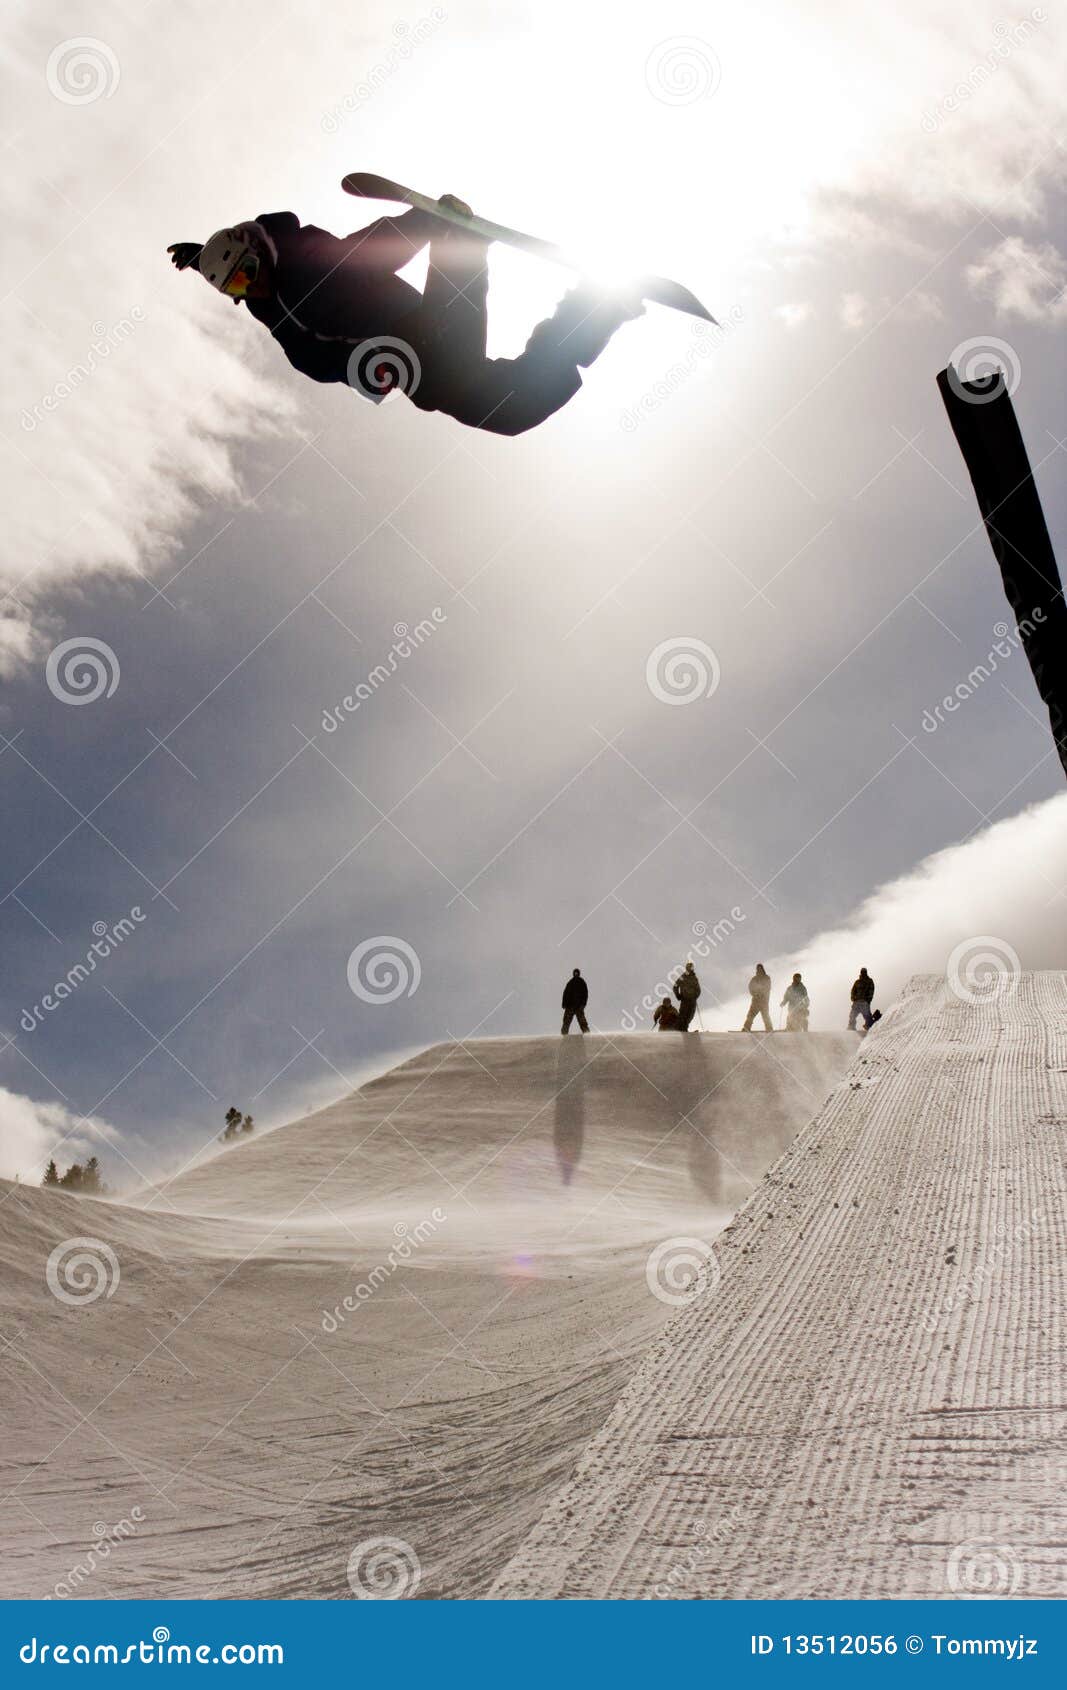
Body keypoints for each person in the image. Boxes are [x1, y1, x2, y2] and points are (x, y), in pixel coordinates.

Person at [168, 199, 644, 438]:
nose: (251, 286)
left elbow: (369, 250)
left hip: (428, 321)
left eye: (248, 272)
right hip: (413, 360)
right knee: (511, 410)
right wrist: (365, 372)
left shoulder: (304, 257)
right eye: (236, 287)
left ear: (256, 249)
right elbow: (313, 359)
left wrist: (426, 219)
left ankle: (458, 240)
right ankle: (599, 309)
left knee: (446, 383)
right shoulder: (274, 317)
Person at [742, 964, 773, 1032]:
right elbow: (750, 987)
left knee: (765, 1015)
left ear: (762, 969)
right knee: (750, 1014)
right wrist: (754, 994)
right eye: (758, 968)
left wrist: (763, 993)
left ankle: (769, 1028)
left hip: (764, 1001)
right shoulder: (754, 978)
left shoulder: (766, 978)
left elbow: (768, 987)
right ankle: (746, 1027)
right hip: (755, 1001)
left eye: (760, 968)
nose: (759, 970)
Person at [673, 961, 702, 1032]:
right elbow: (675, 986)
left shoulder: (694, 978)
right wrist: (678, 996)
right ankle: (679, 1029)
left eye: (691, 967)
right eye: (689, 967)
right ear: (687, 968)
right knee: (683, 1015)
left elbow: (698, 989)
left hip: (692, 1000)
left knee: (690, 1015)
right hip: (685, 1000)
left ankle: (684, 1028)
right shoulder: (682, 977)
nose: (691, 969)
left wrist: (695, 996)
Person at [561, 968, 590, 1035]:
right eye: (575, 973)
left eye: (577, 973)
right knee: (566, 1021)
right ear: (573, 973)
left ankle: (587, 1034)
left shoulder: (582, 982)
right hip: (570, 1006)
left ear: (579, 973)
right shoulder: (570, 983)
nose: (576, 974)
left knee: (582, 1021)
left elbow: (585, 994)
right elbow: (566, 993)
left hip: (578, 1006)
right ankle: (564, 1035)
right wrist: (564, 1004)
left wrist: (583, 1004)